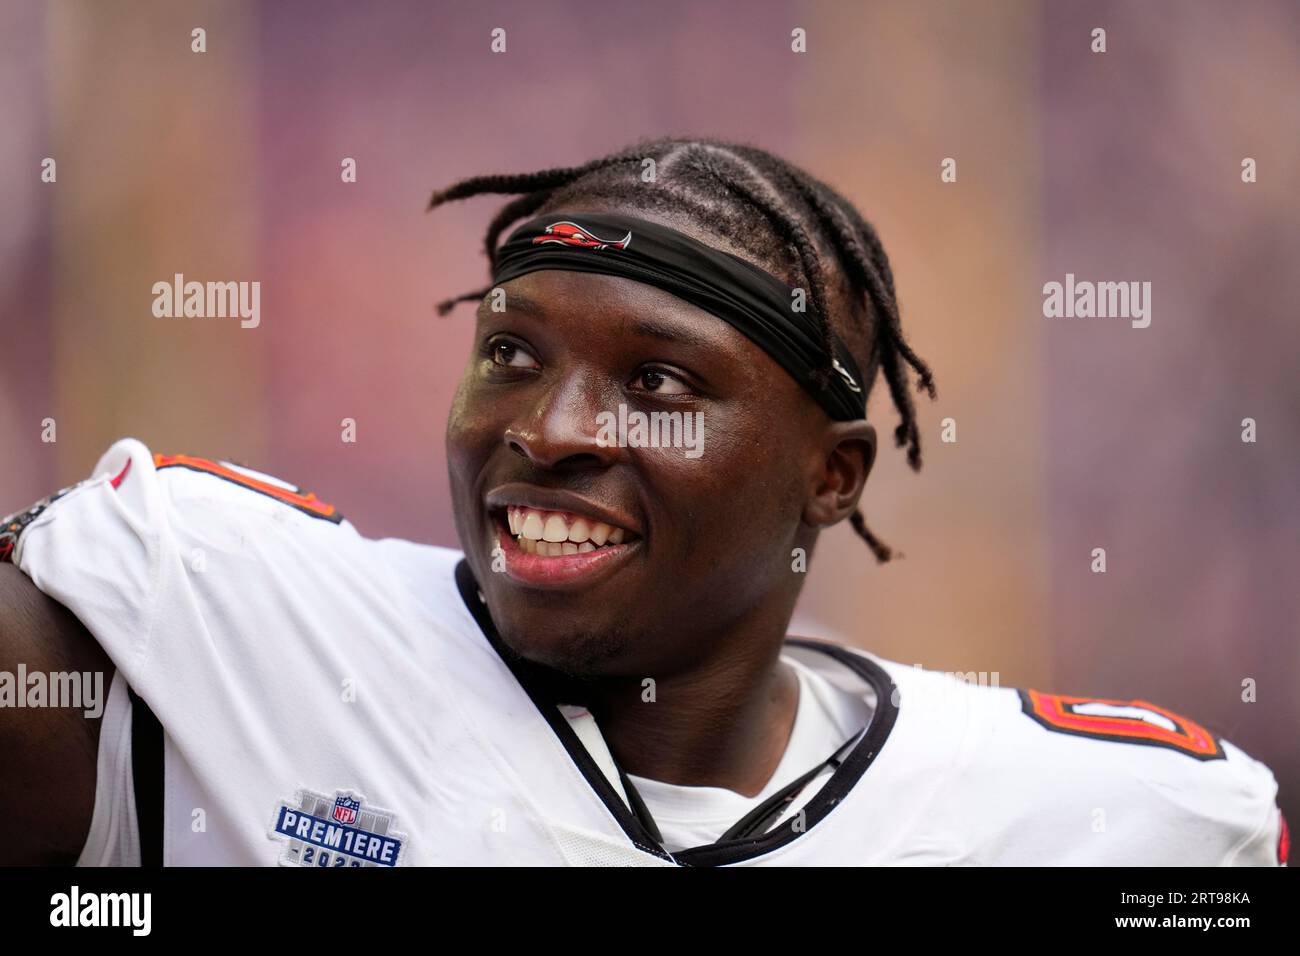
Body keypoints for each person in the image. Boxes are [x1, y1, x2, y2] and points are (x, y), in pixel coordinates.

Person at [0, 137, 1285, 866]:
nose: (547, 432)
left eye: (658, 381)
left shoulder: (1120, 821)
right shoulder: (226, 612)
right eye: (511, 354)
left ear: (829, 475)